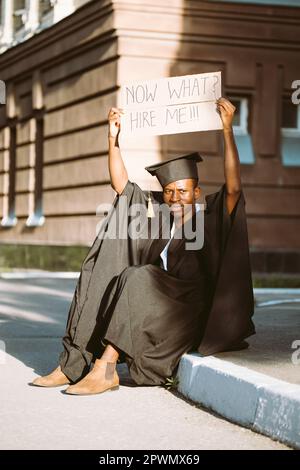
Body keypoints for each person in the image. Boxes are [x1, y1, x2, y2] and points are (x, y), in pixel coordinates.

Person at [31, 97, 255, 395]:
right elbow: (121, 185)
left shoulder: (210, 215)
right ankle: (73, 364)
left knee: (139, 277)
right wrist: (113, 137)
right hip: (156, 300)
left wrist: (227, 130)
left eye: (183, 191)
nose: (175, 198)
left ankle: (106, 369)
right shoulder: (158, 212)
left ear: (197, 192)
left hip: (188, 307)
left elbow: (234, 186)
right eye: (169, 191)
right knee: (113, 273)